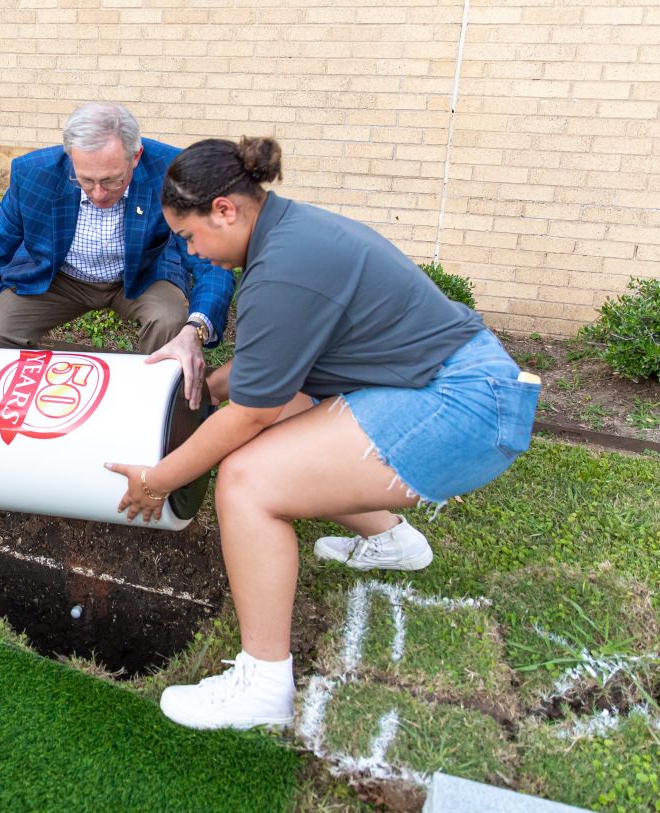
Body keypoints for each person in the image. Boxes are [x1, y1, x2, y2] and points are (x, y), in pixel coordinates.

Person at [106, 137, 540, 731]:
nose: (194, 252)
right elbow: (272, 373)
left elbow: (251, 414)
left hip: (466, 409)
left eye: (189, 236)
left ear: (225, 210)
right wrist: (203, 389)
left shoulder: (283, 270)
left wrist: (157, 480)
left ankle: (262, 683)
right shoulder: (287, 236)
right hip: (449, 383)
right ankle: (390, 542)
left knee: (248, 480)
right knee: (283, 426)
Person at [0, 102, 235, 408]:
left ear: (136, 156)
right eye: (86, 180)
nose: (99, 193)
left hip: (142, 275)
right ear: (71, 155)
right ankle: (37, 405)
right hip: (60, 278)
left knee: (171, 322)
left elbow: (211, 258)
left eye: (112, 181)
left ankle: (156, 409)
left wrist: (195, 328)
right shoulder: (35, 174)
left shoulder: (172, 171)